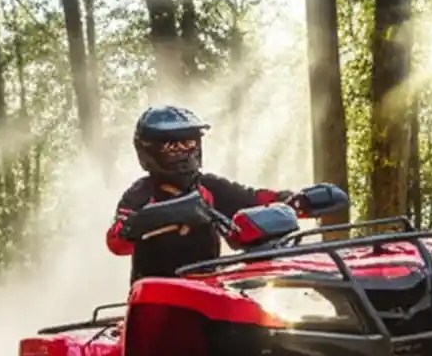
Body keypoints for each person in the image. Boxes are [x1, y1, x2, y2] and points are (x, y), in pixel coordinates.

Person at [105, 105, 293, 282]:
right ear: (148, 150)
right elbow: (116, 241)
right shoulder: (140, 193)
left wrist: (293, 200)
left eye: (189, 143)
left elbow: (254, 198)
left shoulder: (210, 186)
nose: (184, 152)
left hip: (208, 292)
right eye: (172, 147)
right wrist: (159, 218)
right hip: (155, 296)